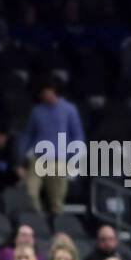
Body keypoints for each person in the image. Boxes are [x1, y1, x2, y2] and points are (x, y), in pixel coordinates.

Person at [20, 79, 84, 216]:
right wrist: (21, 157)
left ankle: (56, 224)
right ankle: (37, 218)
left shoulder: (69, 110)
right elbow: (28, 134)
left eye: (46, 92)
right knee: (30, 192)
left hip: (58, 160)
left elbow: (77, 135)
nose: (44, 95)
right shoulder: (37, 111)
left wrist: (74, 160)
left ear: (54, 92)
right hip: (37, 159)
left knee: (56, 199)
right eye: (42, 93)